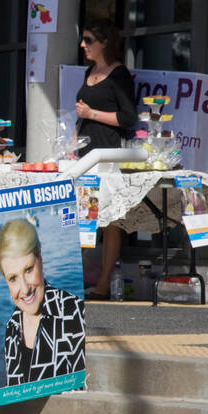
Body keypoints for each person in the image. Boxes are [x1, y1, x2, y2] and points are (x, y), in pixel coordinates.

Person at [74, 19, 137, 299]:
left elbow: (128, 118)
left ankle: (103, 284)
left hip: (107, 154)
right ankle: (78, 278)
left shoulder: (119, 74)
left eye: (88, 40)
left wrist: (92, 115)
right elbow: (83, 112)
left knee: (110, 219)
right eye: (83, 40)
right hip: (85, 154)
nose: (83, 45)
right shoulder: (90, 71)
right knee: (84, 216)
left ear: (105, 42)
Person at [0, 218, 85, 385]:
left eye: (28, 270)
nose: (24, 289)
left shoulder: (74, 311)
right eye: (13, 278)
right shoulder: (12, 326)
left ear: (40, 260)